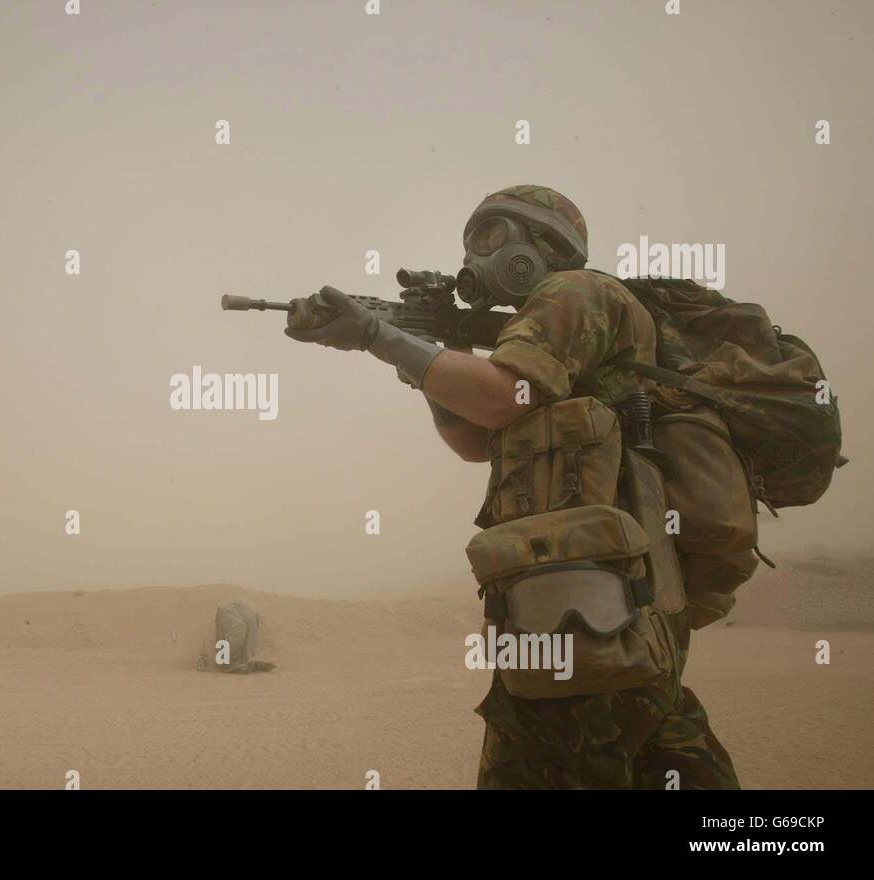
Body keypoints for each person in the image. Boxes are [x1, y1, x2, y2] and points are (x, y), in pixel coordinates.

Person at [283, 185, 739, 789]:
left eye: (492, 239)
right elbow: (475, 443)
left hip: (590, 587)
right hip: (601, 584)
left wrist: (380, 336)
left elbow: (504, 398)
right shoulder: (547, 323)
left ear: (543, 242)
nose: (477, 256)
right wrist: (434, 358)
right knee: (653, 745)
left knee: (547, 752)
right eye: (473, 241)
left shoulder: (575, 290)